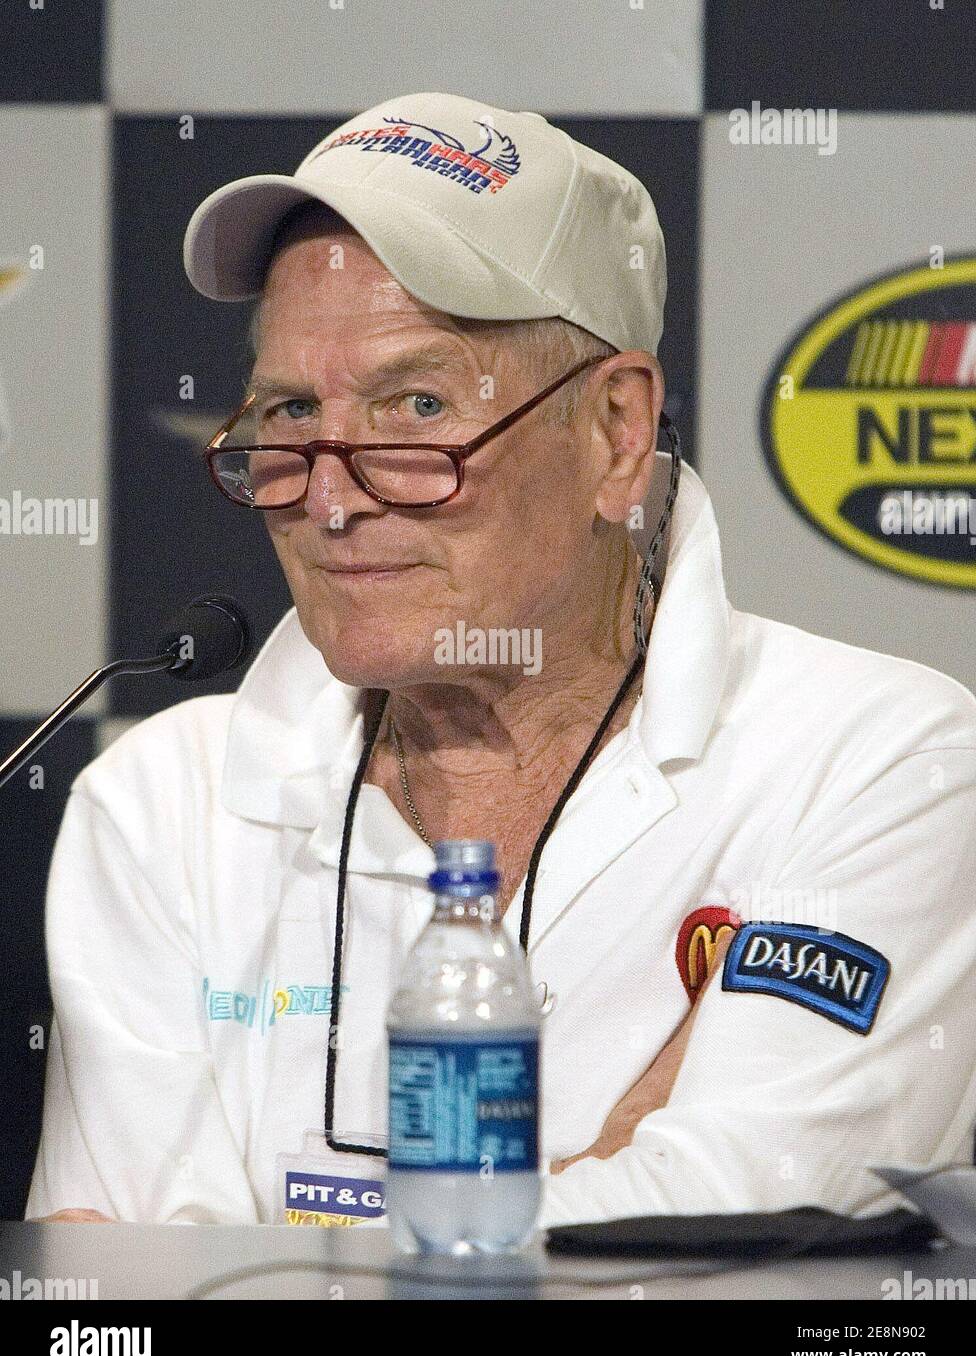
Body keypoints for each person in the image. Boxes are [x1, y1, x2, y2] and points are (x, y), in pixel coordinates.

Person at [27, 92, 976, 1228]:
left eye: (415, 405)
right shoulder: (155, 806)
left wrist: (283, 1259)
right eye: (288, 410)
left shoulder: (880, 762)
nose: (329, 500)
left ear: (616, 434)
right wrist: (603, 1175)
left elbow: (749, 1242)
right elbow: (111, 1305)